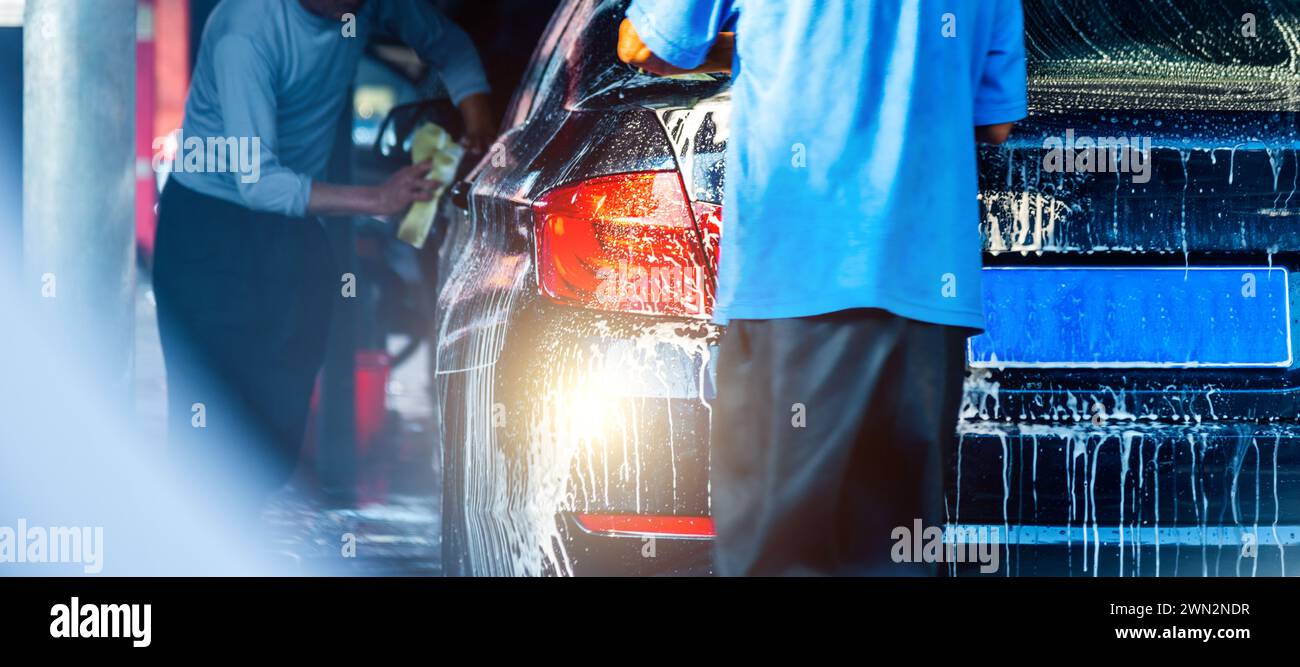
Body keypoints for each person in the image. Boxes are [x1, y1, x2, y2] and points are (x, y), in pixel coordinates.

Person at [618, 0, 1027, 575]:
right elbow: (995, 121)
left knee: (775, 551)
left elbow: (644, 46)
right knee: (896, 552)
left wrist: (756, 45)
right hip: (926, 296)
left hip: (796, 278)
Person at [153, 0, 494, 507]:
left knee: (277, 429)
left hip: (294, 230)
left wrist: (478, 119)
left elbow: (447, 43)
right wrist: (378, 200)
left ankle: (236, 523)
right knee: (207, 423)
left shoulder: (361, 6)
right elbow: (258, 185)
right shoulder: (246, 32)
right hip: (209, 230)